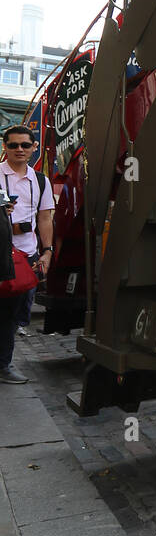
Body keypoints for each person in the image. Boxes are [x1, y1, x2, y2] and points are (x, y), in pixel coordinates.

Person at [0, 126, 55, 383]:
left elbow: (44, 218)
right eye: (13, 145)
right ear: (5, 147)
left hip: (27, 256)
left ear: (34, 148)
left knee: (14, 315)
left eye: (25, 145)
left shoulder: (41, 180)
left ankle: (3, 364)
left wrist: (47, 251)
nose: (19, 149)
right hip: (1, 253)